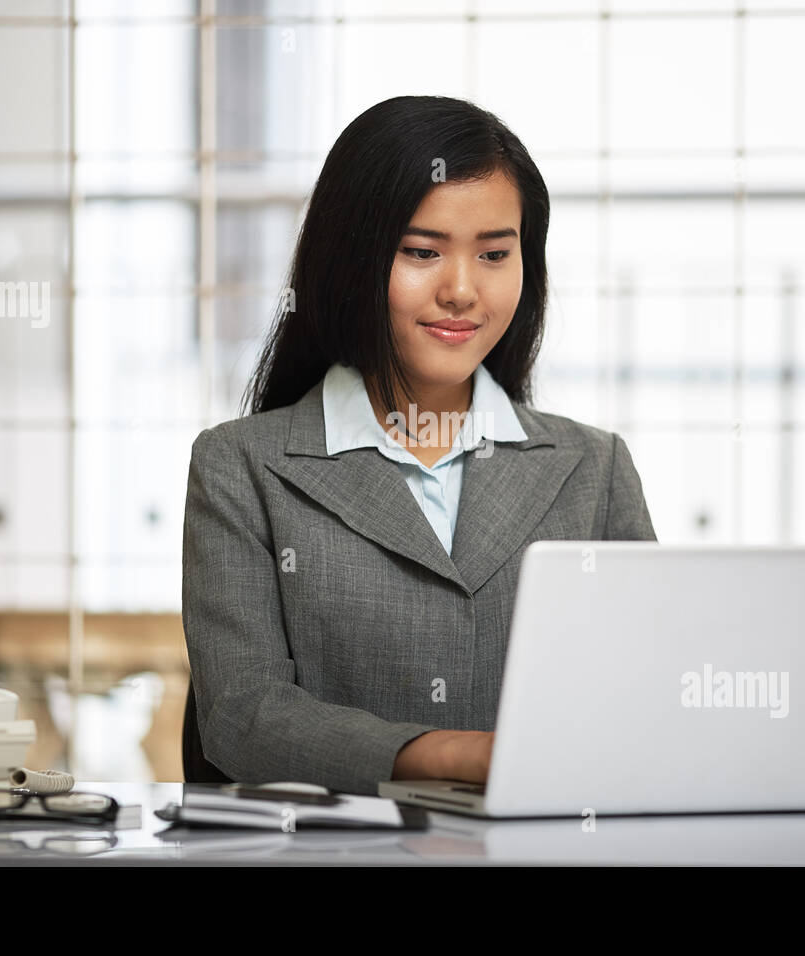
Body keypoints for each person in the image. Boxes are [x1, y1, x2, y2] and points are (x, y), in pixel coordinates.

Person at [182, 95, 656, 796]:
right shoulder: (242, 466)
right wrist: (450, 756)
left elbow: (644, 695)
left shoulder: (595, 470)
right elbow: (242, 715)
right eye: (421, 252)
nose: (462, 290)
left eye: (495, 253)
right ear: (350, 260)